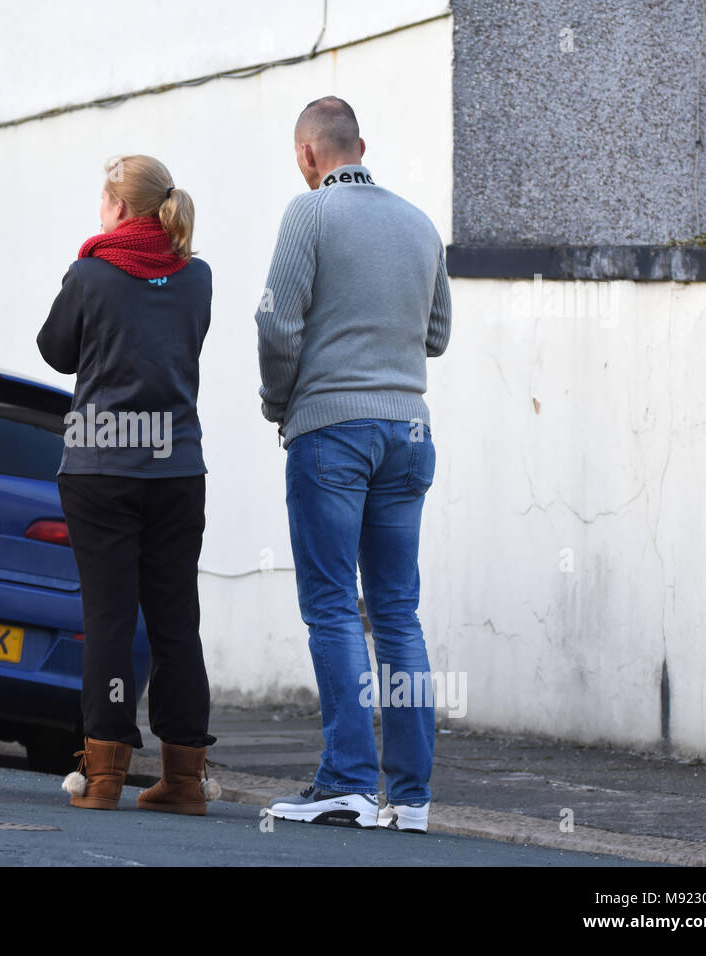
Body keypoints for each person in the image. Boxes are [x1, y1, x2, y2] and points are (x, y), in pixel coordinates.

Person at [256, 97, 451, 831]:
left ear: (309, 155)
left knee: (334, 606)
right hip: (410, 432)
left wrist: (281, 402)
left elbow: (276, 321)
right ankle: (410, 796)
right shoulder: (419, 223)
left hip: (332, 431)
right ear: (360, 147)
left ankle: (345, 781)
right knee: (397, 612)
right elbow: (437, 334)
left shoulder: (309, 216)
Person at [37, 154, 219, 813]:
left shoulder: (90, 272)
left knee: (109, 618)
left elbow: (55, 351)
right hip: (177, 468)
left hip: (101, 469)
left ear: (118, 206)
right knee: (177, 621)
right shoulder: (196, 277)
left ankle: (105, 773)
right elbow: (183, 344)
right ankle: (185, 780)